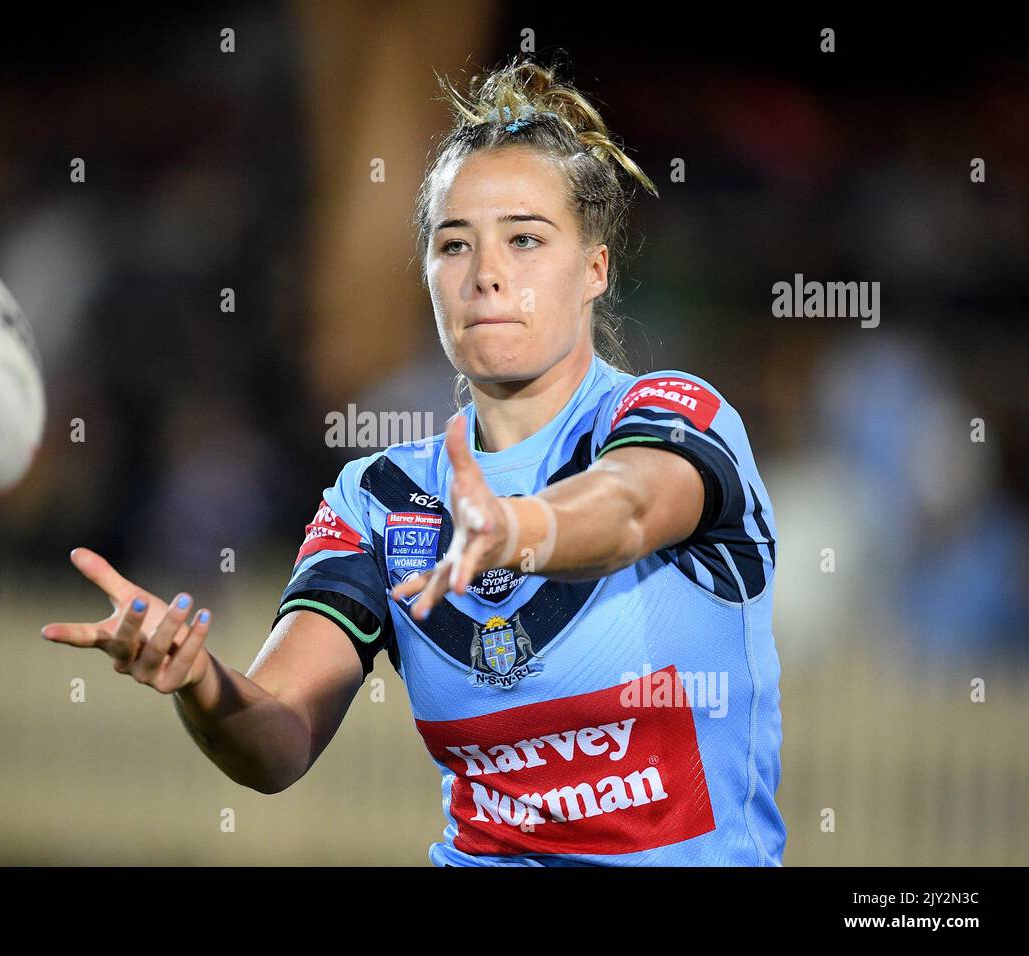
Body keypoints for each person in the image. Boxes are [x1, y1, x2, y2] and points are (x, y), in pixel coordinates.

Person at [42, 56, 784, 866]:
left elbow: (631, 509)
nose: (486, 275)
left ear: (594, 269)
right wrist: (199, 683)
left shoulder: (670, 413)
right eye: (454, 244)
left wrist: (517, 529)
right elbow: (278, 739)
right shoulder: (380, 499)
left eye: (525, 239)